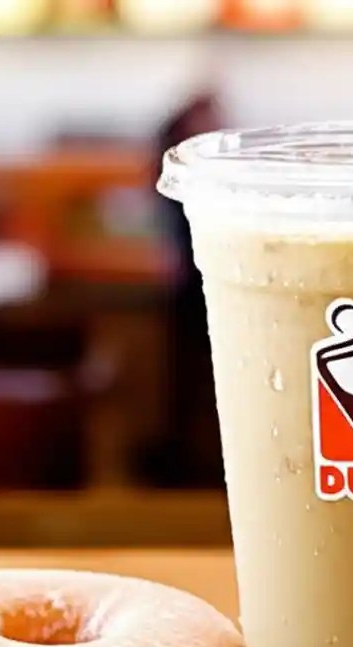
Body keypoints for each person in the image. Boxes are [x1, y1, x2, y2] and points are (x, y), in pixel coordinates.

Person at [145, 91, 225, 487]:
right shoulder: (191, 179)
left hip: (192, 289)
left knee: (191, 388)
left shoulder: (188, 181)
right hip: (195, 292)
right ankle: (188, 463)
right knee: (191, 389)